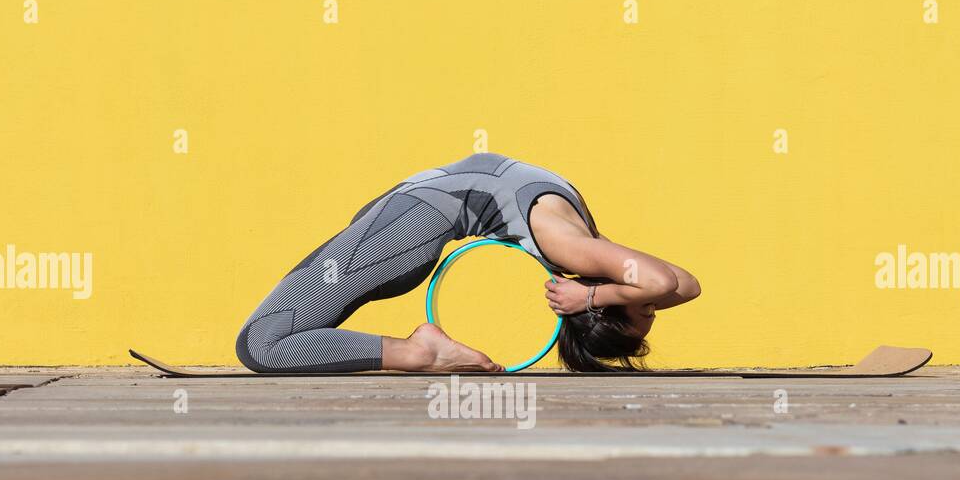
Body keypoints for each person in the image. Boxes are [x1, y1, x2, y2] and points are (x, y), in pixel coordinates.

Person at [235, 153, 701, 373]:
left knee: (263, 344)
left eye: (646, 311)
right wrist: (590, 296)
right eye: (650, 311)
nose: (657, 305)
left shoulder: (575, 245)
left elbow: (662, 284)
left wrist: (595, 296)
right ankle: (417, 352)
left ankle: (418, 354)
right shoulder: (578, 248)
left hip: (408, 227)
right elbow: (679, 284)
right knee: (278, 335)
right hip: (409, 224)